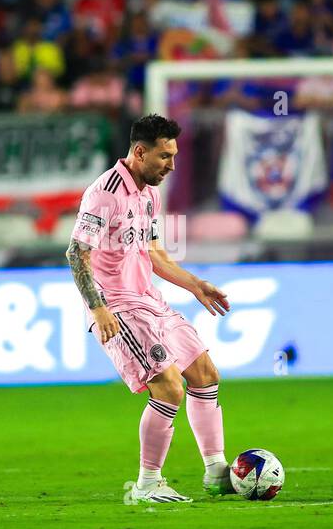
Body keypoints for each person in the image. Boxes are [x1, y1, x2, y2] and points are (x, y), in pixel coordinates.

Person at [66, 114, 233, 503]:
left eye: (173, 156)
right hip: (119, 308)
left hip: (150, 301)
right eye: (164, 156)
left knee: (205, 374)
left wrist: (195, 285)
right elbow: (76, 252)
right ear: (139, 152)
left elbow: (154, 253)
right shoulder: (104, 193)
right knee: (169, 386)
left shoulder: (149, 194)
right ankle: (147, 483)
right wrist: (98, 308)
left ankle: (216, 470)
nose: (171, 165)